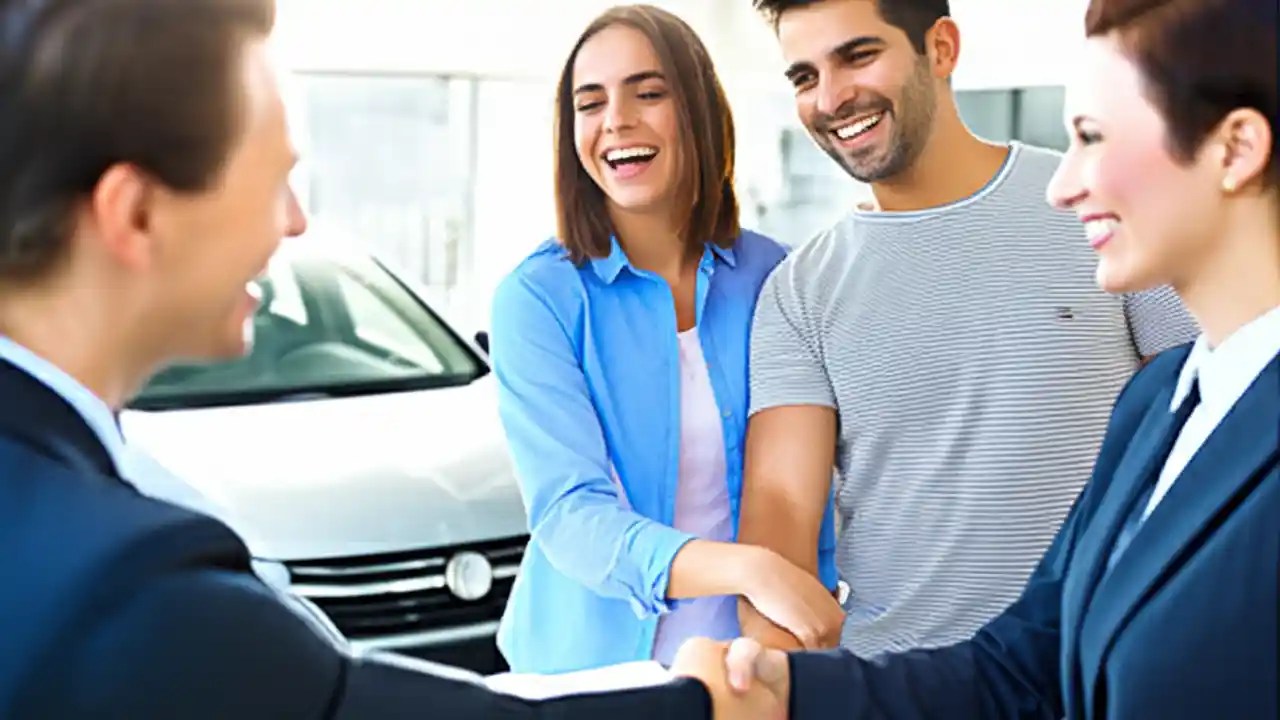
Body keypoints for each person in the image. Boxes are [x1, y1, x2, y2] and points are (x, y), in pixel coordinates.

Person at [0, 1, 780, 717]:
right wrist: (700, 704)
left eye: (649, 93)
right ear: (135, 214)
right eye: (272, 181)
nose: (299, 224)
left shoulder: (79, 503)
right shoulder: (126, 571)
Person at [715, 0, 1279, 716]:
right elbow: (783, 537)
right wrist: (777, 691)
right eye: (803, 74)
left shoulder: (1113, 231)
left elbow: (1220, 439)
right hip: (917, 691)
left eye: (858, 56)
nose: (830, 97)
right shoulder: (799, 293)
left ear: (941, 47)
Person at [488, 3, 843, 675]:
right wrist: (750, 568)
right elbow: (569, 516)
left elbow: (818, 482)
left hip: (748, 667)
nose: (616, 120)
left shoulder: (778, 280)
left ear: (700, 113)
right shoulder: (538, 299)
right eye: (589, 104)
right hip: (584, 675)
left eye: (649, 93)